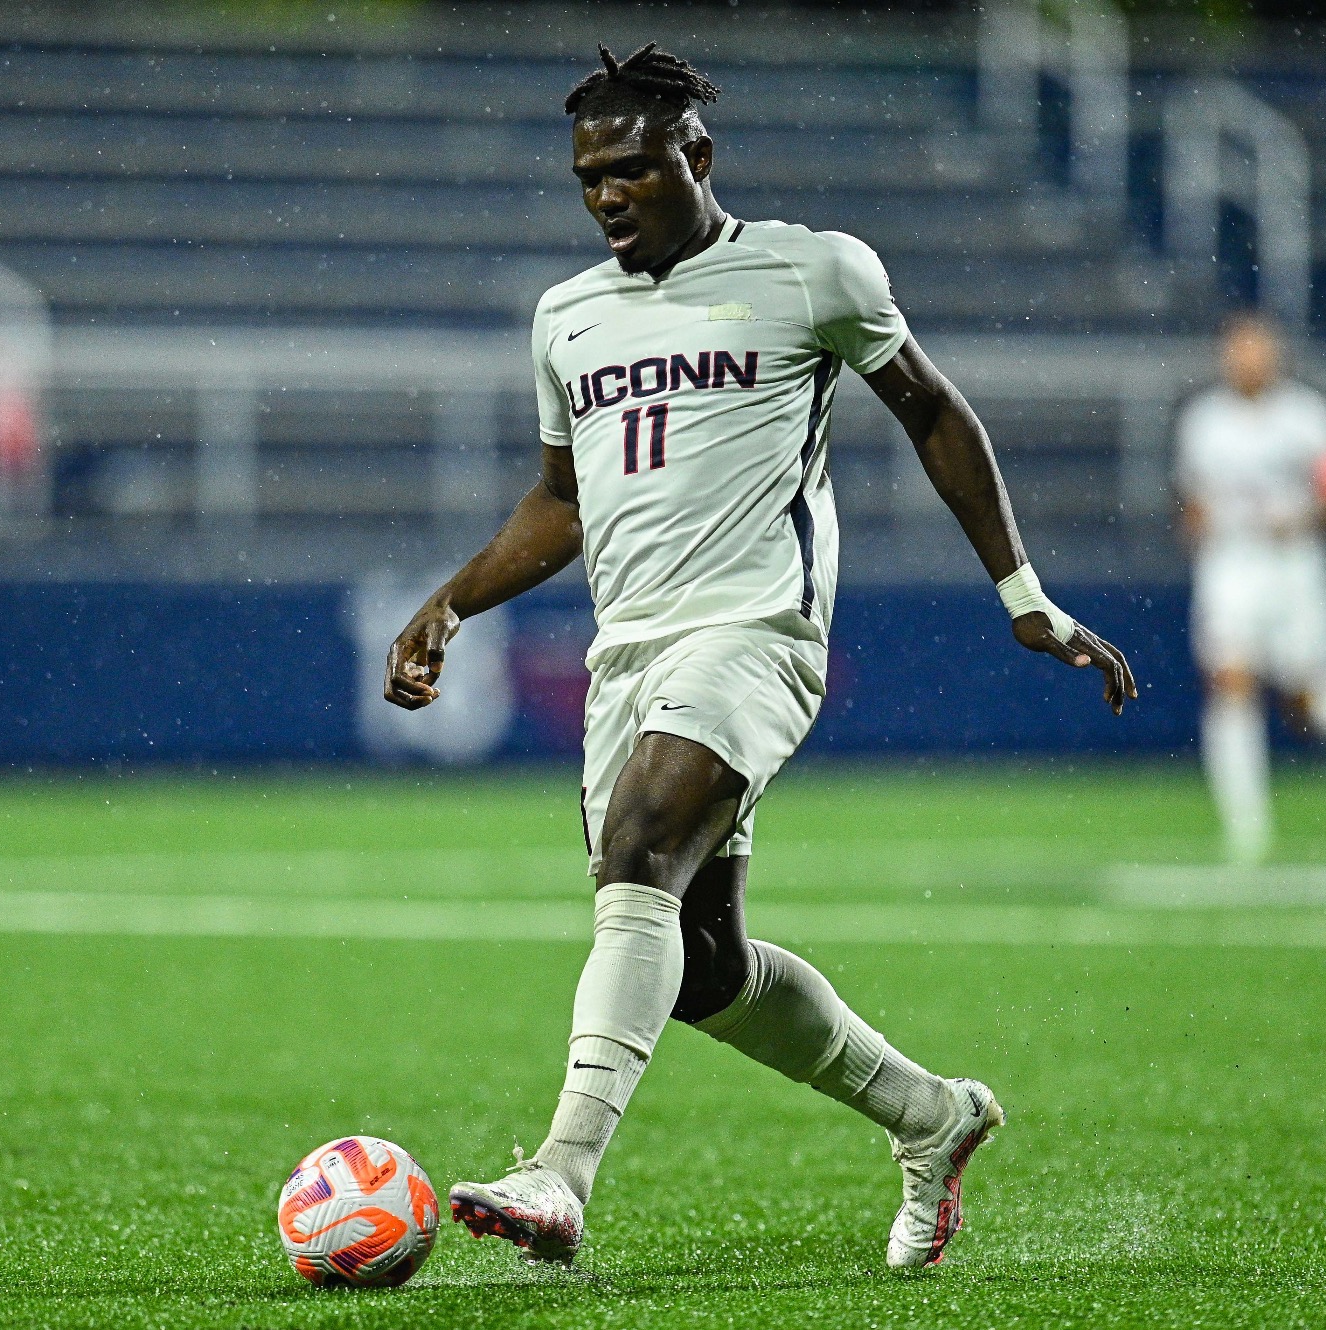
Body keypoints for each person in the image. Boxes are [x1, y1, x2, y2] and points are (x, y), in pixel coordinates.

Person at [383, 43, 1136, 1271]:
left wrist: (1021, 593)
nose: (609, 196)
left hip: (756, 632)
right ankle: (930, 1117)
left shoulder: (808, 270)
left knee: (637, 848)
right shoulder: (565, 318)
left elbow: (933, 411)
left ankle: (557, 1175)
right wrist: (450, 601)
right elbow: (559, 504)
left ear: (698, 156)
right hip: (623, 653)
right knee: (699, 966)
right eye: (589, 180)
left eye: (631, 169)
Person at [1176, 313, 1326, 865]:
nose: (1247, 361)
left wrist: (1308, 518)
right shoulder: (1203, 421)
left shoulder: (1307, 416)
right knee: (1230, 683)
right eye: (1238, 351)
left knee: (1302, 701)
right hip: (1230, 567)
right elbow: (1192, 498)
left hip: (1294, 566)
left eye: (1257, 351)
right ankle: (1246, 827)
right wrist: (1199, 527)